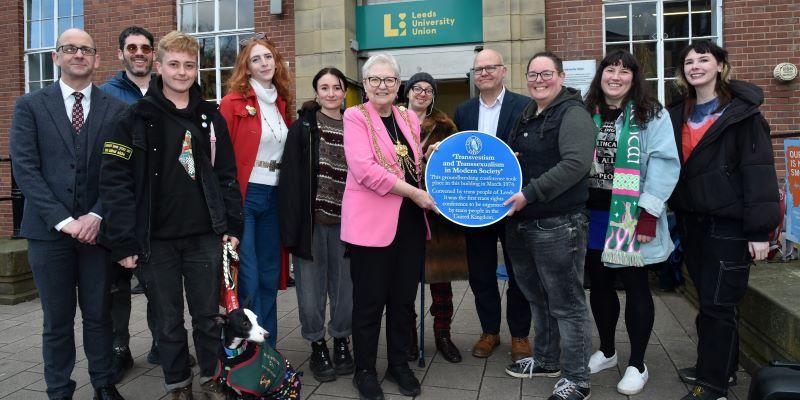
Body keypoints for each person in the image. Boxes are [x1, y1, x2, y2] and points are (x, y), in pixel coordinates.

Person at [99, 31, 242, 400]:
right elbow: (115, 183)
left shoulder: (210, 117)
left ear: (197, 69)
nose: (182, 72)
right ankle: (178, 384)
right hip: (154, 240)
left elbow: (227, 175)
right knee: (167, 321)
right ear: (158, 67)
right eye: (174, 64)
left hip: (204, 236)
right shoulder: (133, 118)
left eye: (189, 65)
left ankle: (212, 379)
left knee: (208, 318)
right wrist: (123, 241)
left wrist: (231, 226)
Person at [10, 28, 127, 400]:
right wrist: (64, 220)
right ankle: (59, 390)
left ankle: (104, 385)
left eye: (86, 49)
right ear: (56, 57)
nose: (79, 55)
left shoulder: (116, 110)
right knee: (56, 321)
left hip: (97, 233)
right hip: (48, 234)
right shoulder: (29, 106)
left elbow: (122, 172)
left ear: (96, 58)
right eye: (70, 49)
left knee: (99, 316)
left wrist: (96, 215)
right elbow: (25, 170)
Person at [668, 41, 780, 400]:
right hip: (693, 222)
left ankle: (712, 385)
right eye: (689, 61)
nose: (695, 66)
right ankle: (721, 368)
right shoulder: (678, 113)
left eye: (704, 60)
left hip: (729, 225)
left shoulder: (742, 114)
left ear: (720, 66)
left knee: (719, 306)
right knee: (710, 301)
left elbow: (759, 173)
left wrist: (760, 231)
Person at [581, 50, 680, 395]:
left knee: (637, 288)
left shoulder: (651, 114)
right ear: (601, 75)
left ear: (635, 78)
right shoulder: (584, 111)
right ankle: (607, 351)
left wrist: (650, 209)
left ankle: (638, 363)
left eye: (625, 71)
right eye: (611, 69)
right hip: (593, 215)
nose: (617, 76)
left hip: (629, 214)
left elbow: (665, 164)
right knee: (600, 286)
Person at [502, 51, 596, 400]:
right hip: (523, 223)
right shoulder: (529, 114)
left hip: (558, 224)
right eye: (533, 74)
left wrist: (530, 192)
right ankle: (545, 359)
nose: (538, 80)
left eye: (546, 74)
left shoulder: (572, 113)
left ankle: (577, 379)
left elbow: (576, 163)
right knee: (537, 298)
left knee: (567, 303)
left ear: (560, 76)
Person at [342, 54, 435, 400]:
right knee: (368, 303)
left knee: (402, 301)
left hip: (409, 222)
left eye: (389, 80)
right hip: (371, 225)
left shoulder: (409, 116)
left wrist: (432, 154)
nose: (382, 86)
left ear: (399, 85)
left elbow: (410, 161)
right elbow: (365, 170)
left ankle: (398, 364)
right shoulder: (355, 116)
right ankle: (364, 370)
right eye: (375, 80)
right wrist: (415, 193)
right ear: (365, 85)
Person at [453, 48, 533, 362]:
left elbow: (533, 148)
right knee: (481, 273)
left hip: (513, 205)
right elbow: (458, 156)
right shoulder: (464, 110)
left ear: (503, 71)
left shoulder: (524, 106)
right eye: (479, 69)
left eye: (491, 68)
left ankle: (520, 335)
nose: (484, 73)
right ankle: (489, 332)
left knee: (519, 273)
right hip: (476, 208)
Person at [278, 67, 355, 382]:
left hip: (348, 225)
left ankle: (340, 340)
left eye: (336, 87)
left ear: (344, 91)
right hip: (311, 225)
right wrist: (292, 230)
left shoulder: (356, 125)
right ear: (316, 92)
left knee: (345, 289)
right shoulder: (303, 128)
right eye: (324, 88)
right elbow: (290, 181)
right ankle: (317, 344)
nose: (331, 93)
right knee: (310, 292)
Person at [219, 34, 293, 348]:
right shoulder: (233, 102)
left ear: (276, 62)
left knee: (270, 275)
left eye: (268, 57)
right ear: (246, 68)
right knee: (248, 275)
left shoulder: (282, 101)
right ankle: (249, 349)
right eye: (256, 59)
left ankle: (269, 349)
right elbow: (220, 158)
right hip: (244, 198)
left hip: (274, 197)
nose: (264, 63)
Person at [99, 25, 163, 381]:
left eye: (145, 48)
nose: (139, 53)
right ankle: (119, 349)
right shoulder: (105, 95)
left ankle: (162, 343)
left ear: (153, 54)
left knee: (159, 285)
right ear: (120, 53)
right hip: (120, 211)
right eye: (132, 47)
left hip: (157, 212)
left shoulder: (165, 91)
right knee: (118, 288)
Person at [404, 72, 465, 364]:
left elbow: (456, 166)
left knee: (441, 282)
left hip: (439, 213)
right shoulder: (392, 120)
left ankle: (443, 335)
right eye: (417, 88)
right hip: (402, 209)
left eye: (429, 90)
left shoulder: (446, 125)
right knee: (404, 281)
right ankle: (408, 338)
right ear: (408, 91)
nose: (423, 93)